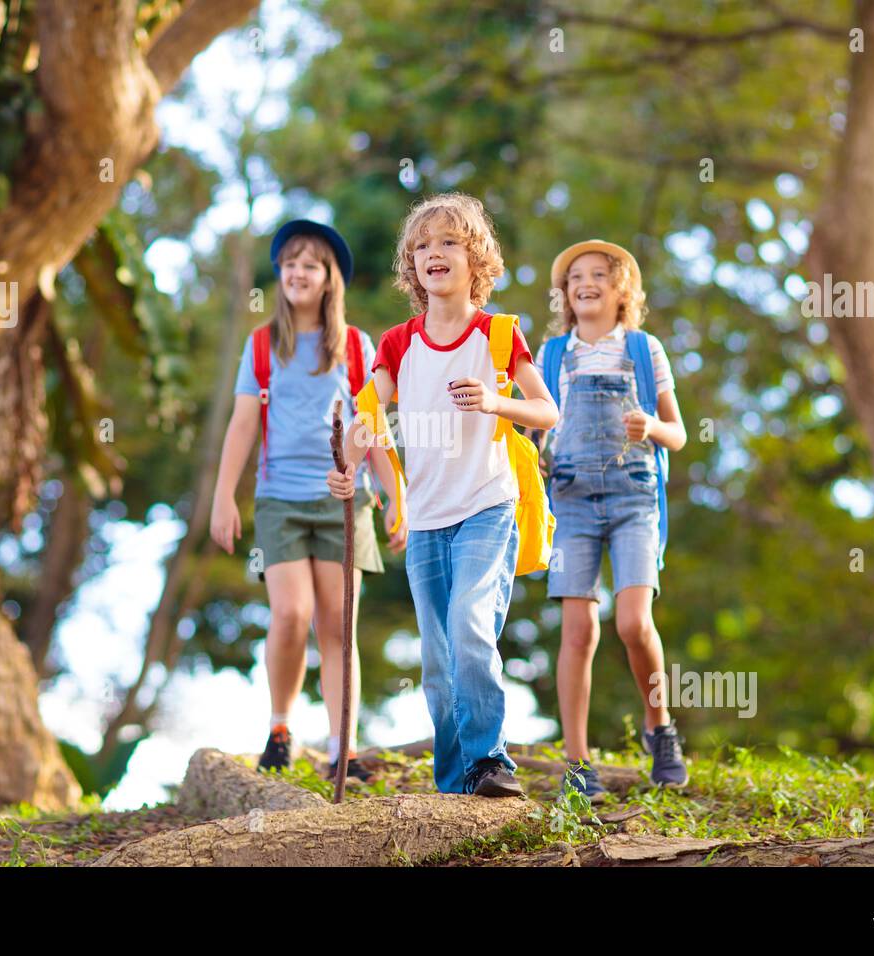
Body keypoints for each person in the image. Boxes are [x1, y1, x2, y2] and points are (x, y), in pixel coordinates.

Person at [327, 193, 558, 797]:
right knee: (436, 663)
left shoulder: (499, 335)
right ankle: (457, 788)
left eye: (450, 241)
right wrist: (349, 456)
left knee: (469, 625)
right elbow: (367, 415)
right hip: (427, 519)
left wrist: (495, 400)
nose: (435, 253)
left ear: (475, 257)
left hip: (487, 504)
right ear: (412, 264)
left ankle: (490, 759)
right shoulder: (399, 343)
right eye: (423, 245)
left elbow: (547, 410)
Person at [210, 219, 406, 782]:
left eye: (311, 265)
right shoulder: (262, 346)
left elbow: (372, 426)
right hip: (280, 500)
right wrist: (226, 497)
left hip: (345, 501)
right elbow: (244, 423)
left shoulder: (354, 345)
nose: (298, 271)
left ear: (329, 280)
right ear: (281, 274)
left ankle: (342, 747)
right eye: (290, 262)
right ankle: (279, 728)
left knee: (338, 624)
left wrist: (398, 496)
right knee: (291, 614)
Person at [534, 240, 689, 800]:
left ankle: (659, 727)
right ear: (566, 294)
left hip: (634, 499)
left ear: (622, 289)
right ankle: (578, 764)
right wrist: (537, 452)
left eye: (599, 274)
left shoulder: (645, 351)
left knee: (631, 622)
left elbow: (679, 433)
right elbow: (536, 427)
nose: (586, 282)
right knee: (578, 630)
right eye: (575, 276)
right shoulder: (551, 356)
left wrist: (650, 425)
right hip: (570, 500)